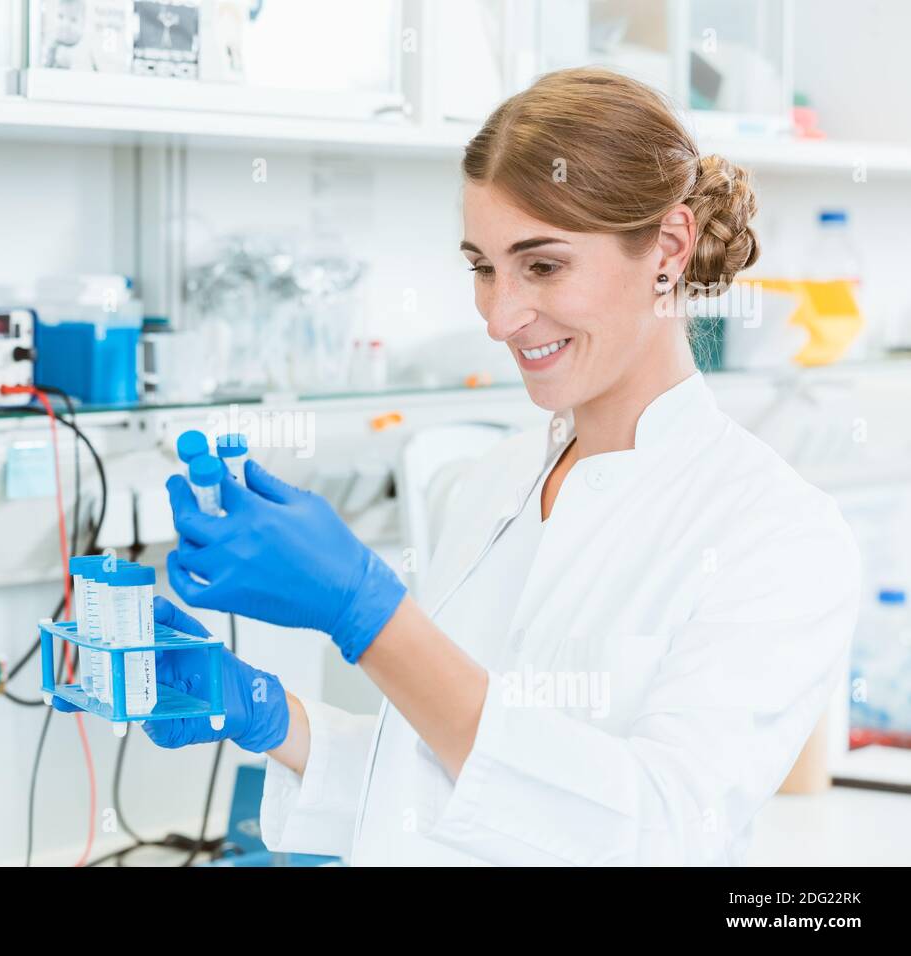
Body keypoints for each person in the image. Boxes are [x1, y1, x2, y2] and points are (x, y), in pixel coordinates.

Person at [89, 67, 862, 865]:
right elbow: (444, 789)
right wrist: (266, 714)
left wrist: (371, 616)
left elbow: (653, 833)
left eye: (544, 265)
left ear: (668, 249)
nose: (500, 316)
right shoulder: (488, 482)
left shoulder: (778, 533)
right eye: (483, 268)